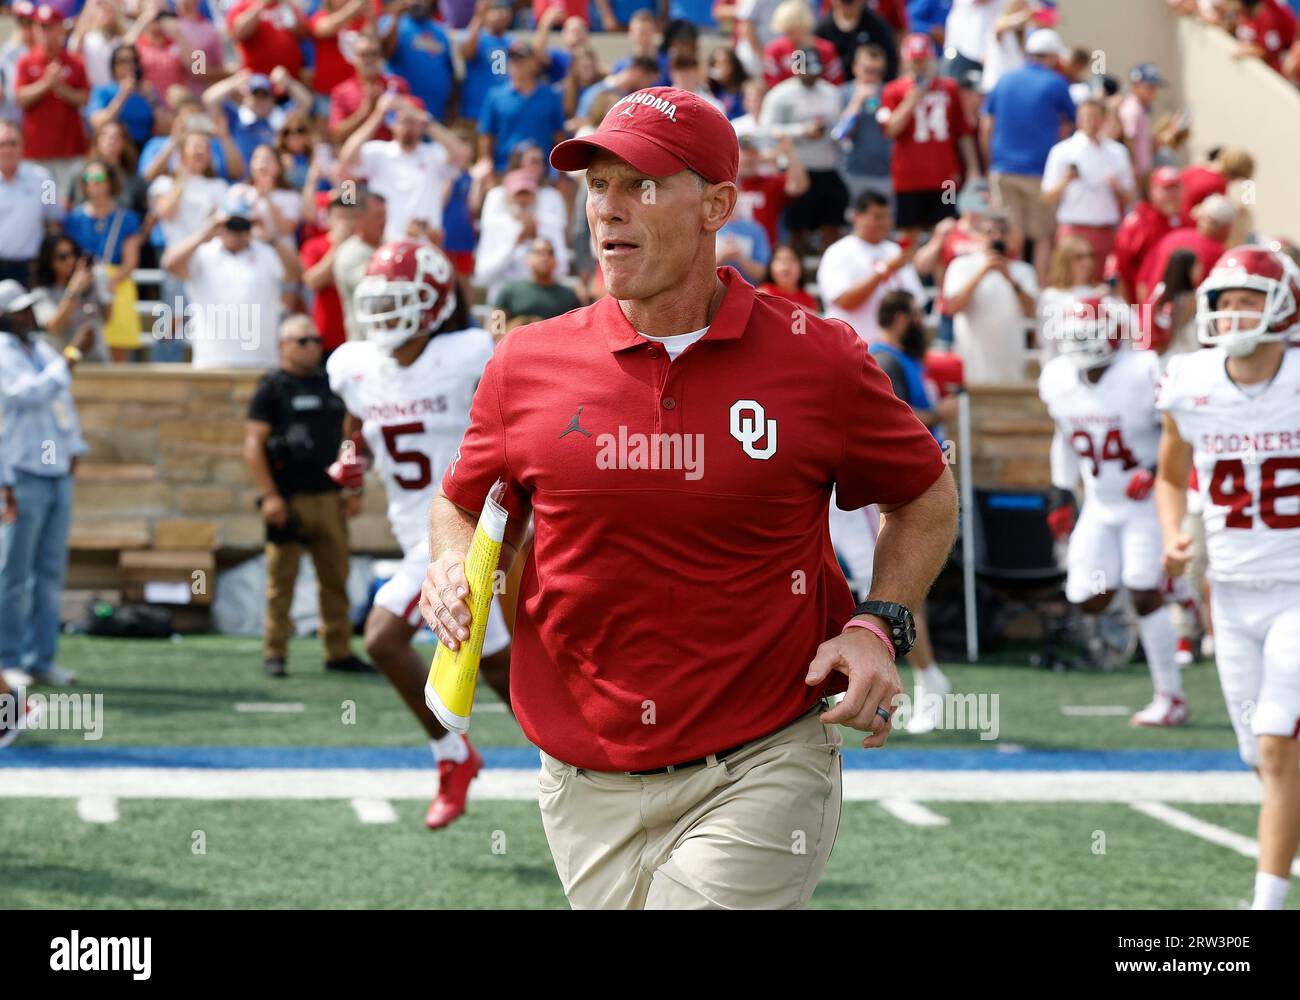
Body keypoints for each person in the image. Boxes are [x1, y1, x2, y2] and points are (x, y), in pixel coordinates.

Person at [423, 86, 958, 909]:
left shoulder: (817, 359)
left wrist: (876, 624)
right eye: (597, 185)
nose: (608, 208)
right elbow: (465, 501)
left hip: (763, 759)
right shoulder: (524, 364)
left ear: (717, 205)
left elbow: (924, 494)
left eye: (640, 183)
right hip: (581, 777)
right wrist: (452, 560)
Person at [328, 240, 514, 829]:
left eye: (398, 302)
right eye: (376, 304)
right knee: (501, 671)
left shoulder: (467, 352)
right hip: (419, 537)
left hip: (467, 536)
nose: (383, 317)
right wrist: (350, 454)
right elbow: (357, 414)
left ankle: (459, 755)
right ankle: (470, 754)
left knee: (388, 638)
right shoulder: (355, 366)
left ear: (433, 301)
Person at [1156, 245, 1300, 909]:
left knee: (1275, 747)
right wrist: (1174, 531)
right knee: (1259, 754)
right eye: (1225, 299)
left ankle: (1267, 906)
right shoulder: (1191, 379)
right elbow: (1169, 473)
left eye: (1248, 298)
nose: (1233, 312)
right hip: (1233, 595)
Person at [1038, 295, 1186, 724]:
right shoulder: (1060, 378)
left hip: (1145, 500)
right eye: (1075, 337)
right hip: (1101, 503)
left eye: (1089, 335)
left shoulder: (1142, 371)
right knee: (1088, 595)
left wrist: (1156, 467)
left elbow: (1177, 432)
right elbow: (1064, 437)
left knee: (1143, 589)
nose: (1082, 346)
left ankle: (1170, 696)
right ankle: (1175, 589)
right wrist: (1061, 493)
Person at [245, 314, 371, 679]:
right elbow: (253, 445)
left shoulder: (332, 385)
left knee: (336, 578)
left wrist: (353, 487)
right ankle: (275, 651)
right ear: (284, 346)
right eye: (303, 341)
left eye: (315, 340)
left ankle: (338, 650)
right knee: (279, 582)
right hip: (289, 498)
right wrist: (270, 496)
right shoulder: (272, 388)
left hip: (329, 497)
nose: (312, 346)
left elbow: (351, 435)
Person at [863, 289, 956, 732]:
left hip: (907, 487)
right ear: (901, 318)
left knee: (892, 588)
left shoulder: (898, 358)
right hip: (892, 486)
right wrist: (941, 412)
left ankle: (928, 677)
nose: (921, 322)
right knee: (882, 587)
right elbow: (902, 419)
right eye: (916, 314)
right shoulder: (886, 359)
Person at [0, 279, 93, 688]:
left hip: (55, 472)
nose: (29, 316)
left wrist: (73, 448)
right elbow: (28, 395)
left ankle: (41, 657)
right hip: (22, 472)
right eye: (20, 310)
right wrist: (71, 356)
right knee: (14, 574)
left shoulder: (38, 350)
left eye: (30, 308)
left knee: (50, 571)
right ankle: (8, 660)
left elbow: (61, 404)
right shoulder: (4, 354)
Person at [161, 191, 297, 370]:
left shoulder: (267, 252)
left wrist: (271, 237)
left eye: (243, 223)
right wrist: (205, 232)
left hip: (262, 361)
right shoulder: (203, 253)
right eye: (230, 223)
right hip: (211, 362)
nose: (236, 229)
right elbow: (170, 264)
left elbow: (296, 273)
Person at [981, 27, 1074, 281]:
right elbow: (1067, 127)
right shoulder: (1056, 83)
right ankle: (1038, 294)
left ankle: (1013, 289)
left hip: (1004, 169)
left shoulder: (1004, 80)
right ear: (1052, 56)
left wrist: (991, 164)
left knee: (1012, 234)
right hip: (1040, 172)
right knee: (1043, 236)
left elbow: (986, 126)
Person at [880, 32, 980, 245]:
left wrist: (972, 168)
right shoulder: (894, 90)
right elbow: (890, 130)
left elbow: (962, 133)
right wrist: (911, 99)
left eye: (923, 60)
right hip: (908, 178)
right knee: (909, 234)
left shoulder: (949, 88)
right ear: (906, 60)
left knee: (946, 230)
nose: (919, 66)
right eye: (915, 61)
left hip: (945, 176)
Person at [339, 93, 470, 244]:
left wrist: (426, 120)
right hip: (386, 242)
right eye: (404, 120)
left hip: (424, 243)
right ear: (393, 123)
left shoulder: (434, 154)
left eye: (413, 121)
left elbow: (462, 155)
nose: (408, 126)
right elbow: (346, 157)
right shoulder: (379, 152)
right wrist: (378, 114)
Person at [758, 47, 846, 257]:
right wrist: (801, 131)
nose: (811, 74)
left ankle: (828, 263)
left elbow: (841, 126)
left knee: (832, 222)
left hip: (826, 166)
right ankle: (797, 271)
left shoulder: (832, 93)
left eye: (815, 69)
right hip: (795, 170)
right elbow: (766, 129)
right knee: (797, 227)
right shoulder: (781, 94)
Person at [1041, 97, 1136, 284]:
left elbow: (1129, 196)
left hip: (1105, 230)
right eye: (1085, 117)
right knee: (1068, 285)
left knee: (1102, 287)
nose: (1090, 122)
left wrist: (1116, 187)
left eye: (1095, 117)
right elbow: (1048, 196)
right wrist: (1066, 181)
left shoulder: (1117, 152)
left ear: (1103, 119)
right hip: (1074, 228)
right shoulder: (1062, 151)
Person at [817, 190, 924, 344]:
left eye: (887, 217)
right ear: (857, 217)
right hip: (851, 348)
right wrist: (883, 271)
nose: (883, 223)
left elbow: (915, 301)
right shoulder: (839, 252)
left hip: (893, 349)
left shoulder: (894, 251)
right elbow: (843, 300)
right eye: (877, 217)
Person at [942, 213, 1038, 382]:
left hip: (1010, 369)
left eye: (1003, 231)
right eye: (990, 231)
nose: (997, 237)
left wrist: (1011, 280)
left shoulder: (1023, 271)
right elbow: (952, 307)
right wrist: (982, 272)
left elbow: (1031, 311)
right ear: (979, 235)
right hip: (971, 367)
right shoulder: (962, 265)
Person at [64, 159, 142, 361]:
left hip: (116, 284)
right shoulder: (73, 219)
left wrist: (110, 282)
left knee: (118, 351)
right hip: (84, 286)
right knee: (81, 345)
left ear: (110, 182)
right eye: (88, 179)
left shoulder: (127, 218)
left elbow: (131, 261)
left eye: (98, 178)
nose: (93, 184)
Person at [14, 5, 89, 200]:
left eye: (50, 27)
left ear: (60, 29)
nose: (45, 32)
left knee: (72, 201)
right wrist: (46, 83)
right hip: (40, 152)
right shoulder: (27, 61)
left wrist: (62, 89)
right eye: (41, 27)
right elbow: (20, 98)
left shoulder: (75, 62)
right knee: (47, 202)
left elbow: (84, 98)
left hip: (70, 150)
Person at [473, 168, 569, 305]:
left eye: (527, 194)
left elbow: (562, 270)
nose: (523, 200)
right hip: (502, 308)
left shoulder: (550, 225)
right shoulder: (495, 226)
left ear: (535, 196)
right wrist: (513, 245)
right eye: (518, 194)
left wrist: (538, 241)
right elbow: (483, 275)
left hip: (540, 306)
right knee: (497, 326)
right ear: (508, 197)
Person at [477, 41, 567, 175]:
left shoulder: (550, 96)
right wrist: (487, 167)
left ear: (534, 63)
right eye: (513, 60)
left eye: (522, 59)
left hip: (541, 171)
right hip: (504, 169)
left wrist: (561, 173)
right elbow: (487, 135)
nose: (517, 64)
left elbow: (558, 134)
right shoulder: (495, 96)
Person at [1134, 192, 1234, 303]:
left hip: (1150, 314)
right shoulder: (1221, 255)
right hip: (1185, 318)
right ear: (1227, 228)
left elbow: (1142, 283)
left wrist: (1146, 316)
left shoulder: (1172, 236)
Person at [1106, 164, 1182, 305]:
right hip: (1142, 306)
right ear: (1152, 191)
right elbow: (1119, 270)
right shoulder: (1137, 223)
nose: (1172, 194)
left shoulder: (1185, 221)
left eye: (1176, 188)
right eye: (1166, 189)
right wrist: (1131, 312)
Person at [29, 231, 109, 362]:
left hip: (98, 365)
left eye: (74, 254)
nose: (70, 260)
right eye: (62, 256)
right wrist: (74, 291)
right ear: (49, 261)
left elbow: (107, 318)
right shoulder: (41, 293)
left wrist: (105, 289)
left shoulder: (90, 286)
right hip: (64, 370)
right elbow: (54, 327)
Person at [0, 120, 62, 285]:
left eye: (12, 143)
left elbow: (54, 221)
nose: (7, 149)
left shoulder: (43, 179)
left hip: (30, 268)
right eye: (2, 144)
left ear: (22, 145)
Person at [834, 42, 893, 208]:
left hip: (886, 173)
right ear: (855, 68)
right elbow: (840, 134)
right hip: (853, 172)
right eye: (868, 71)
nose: (873, 77)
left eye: (878, 72)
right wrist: (857, 102)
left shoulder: (889, 92)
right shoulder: (843, 94)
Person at [299, 191, 355, 353]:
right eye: (340, 217)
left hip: (356, 335)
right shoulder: (314, 246)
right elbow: (313, 282)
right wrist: (337, 247)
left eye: (349, 217)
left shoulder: (362, 247)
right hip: (326, 335)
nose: (345, 222)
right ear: (329, 219)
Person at [381, 0, 455, 122]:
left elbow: (450, 71)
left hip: (436, 112)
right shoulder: (390, 22)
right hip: (402, 115)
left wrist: (451, 107)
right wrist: (396, 17)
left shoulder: (441, 31)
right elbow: (385, 52)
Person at [1037, 234, 1105, 365]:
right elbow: (1049, 339)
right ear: (1065, 260)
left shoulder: (1102, 292)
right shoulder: (1050, 295)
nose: (1087, 262)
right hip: (1062, 365)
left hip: (1096, 365)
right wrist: (1091, 301)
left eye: (1090, 256)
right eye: (1079, 257)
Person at [333, 187, 387, 341]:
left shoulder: (392, 244)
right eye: (378, 216)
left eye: (385, 215)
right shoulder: (348, 253)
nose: (383, 221)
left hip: (392, 342)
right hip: (364, 345)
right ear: (360, 218)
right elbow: (376, 289)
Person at [493, 237, 581, 320]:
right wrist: (520, 325)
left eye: (550, 253)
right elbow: (496, 328)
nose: (545, 258)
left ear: (555, 261)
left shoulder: (569, 296)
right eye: (538, 253)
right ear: (527, 259)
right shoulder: (509, 290)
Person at [816, 0, 899, 81]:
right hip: (832, 88)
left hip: (872, 86)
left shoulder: (877, 26)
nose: (848, 4)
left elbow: (891, 61)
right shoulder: (823, 29)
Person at [226, 0, 307, 81]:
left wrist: (288, 9)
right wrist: (261, 5)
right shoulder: (243, 5)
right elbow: (240, 32)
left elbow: (304, 34)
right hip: (257, 81)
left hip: (289, 79)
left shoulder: (288, 6)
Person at [1117, 62, 1166, 183]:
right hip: (1135, 176)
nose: (1154, 91)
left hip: (1142, 173)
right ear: (1136, 85)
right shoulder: (1132, 109)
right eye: (1149, 87)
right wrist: (1134, 171)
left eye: (1155, 87)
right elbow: (1128, 140)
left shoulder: (1140, 107)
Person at [757, 242, 817, 310]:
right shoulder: (761, 295)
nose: (786, 265)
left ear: (801, 266)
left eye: (791, 259)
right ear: (770, 266)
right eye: (779, 259)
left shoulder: (808, 300)